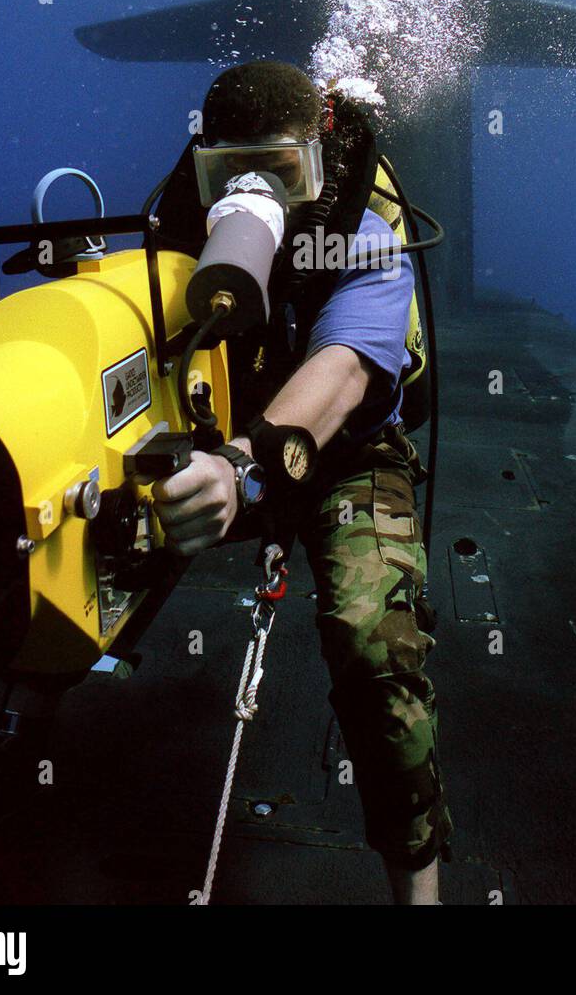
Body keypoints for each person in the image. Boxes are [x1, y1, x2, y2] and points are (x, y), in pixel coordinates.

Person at [151, 59, 452, 905]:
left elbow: (347, 367)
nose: (258, 193)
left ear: (318, 156)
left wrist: (242, 472)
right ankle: (15, 724)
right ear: (202, 160)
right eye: (230, 172)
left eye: (282, 171)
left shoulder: (362, 225)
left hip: (344, 453)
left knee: (373, 644)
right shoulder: (178, 220)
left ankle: (418, 886)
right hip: (219, 444)